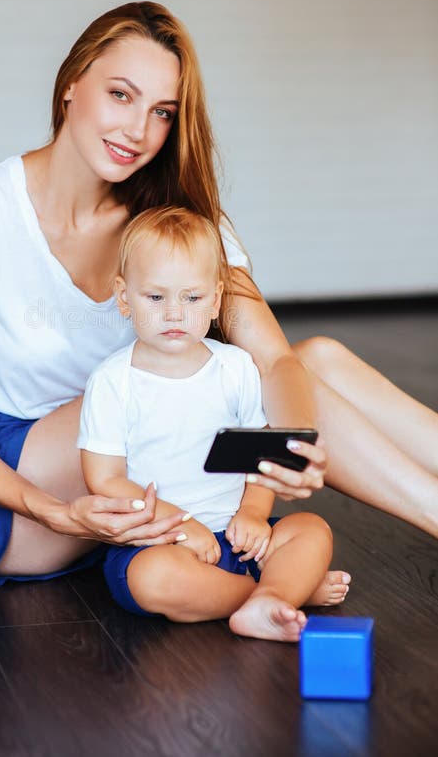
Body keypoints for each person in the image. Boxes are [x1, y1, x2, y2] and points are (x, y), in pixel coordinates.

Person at [0, 1, 438, 590]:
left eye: (162, 111)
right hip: (11, 500)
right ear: (71, 86)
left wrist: (290, 450)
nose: (138, 131)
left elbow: (279, 360)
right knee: (193, 386)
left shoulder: (173, 223)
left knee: (316, 360)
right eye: (120, 95)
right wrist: (52, 511)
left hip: (139, 476)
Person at [79, 206, 350, 640]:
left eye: (192, 297)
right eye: (155, 297)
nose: (174, 313)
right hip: (162, 543)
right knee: (154, 580)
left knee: (311, 530)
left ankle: (270, 593)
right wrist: (179, 525)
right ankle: (273, 594)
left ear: (217, 298)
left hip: (240, 538)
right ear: (124, 297)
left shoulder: (235, 367)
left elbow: (258, 456)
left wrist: (254, 514)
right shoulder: (113, 381)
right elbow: (106, 479)